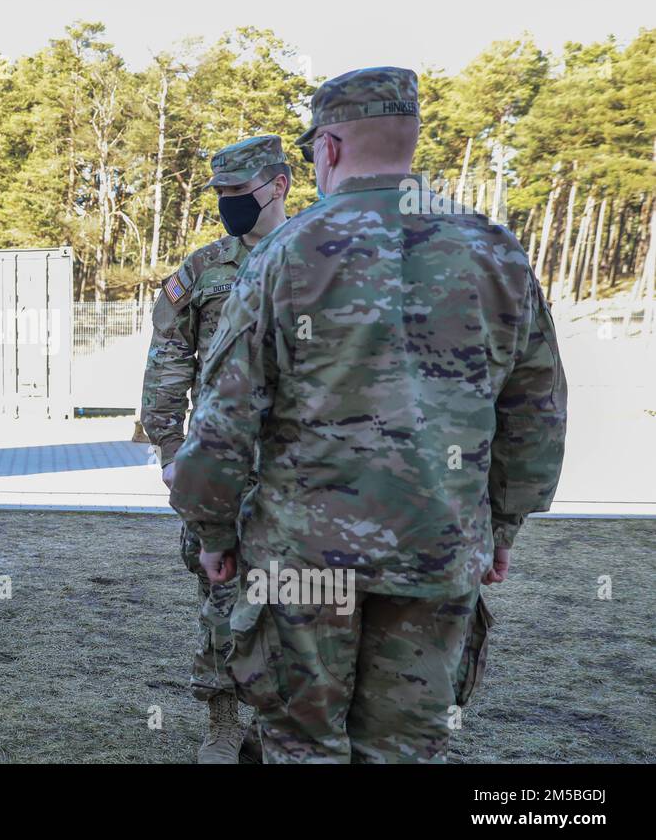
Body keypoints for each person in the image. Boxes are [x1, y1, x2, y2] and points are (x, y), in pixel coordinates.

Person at [170, 68, 567, 762]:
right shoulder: (495, 250)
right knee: (404, 748)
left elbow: (226, 411)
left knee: (301, 744)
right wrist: (503, 526)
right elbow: (536, 408)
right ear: (410, 141)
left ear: (326, 149)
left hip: (302, 560)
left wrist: (211, 529)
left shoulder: (283, 255)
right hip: (438, 548)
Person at [139, 134, 290, 762]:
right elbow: (168, 360)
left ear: (278, 184)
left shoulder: (322, 260)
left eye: (238, 191)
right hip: (222, 464)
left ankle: (279, 724)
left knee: (301, 597)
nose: (227, 202)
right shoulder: (201, 271)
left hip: (300, 466)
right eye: (220, 193)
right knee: (221, 593)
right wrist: (171, 448)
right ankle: (223, 723)